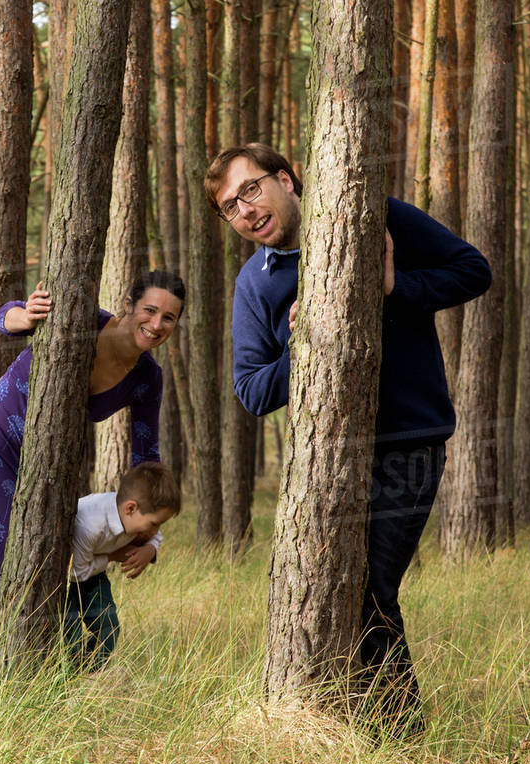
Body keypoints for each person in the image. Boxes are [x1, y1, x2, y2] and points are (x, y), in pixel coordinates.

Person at [205, 142, 491, 727]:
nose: (245, 210)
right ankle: (343, 725)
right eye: (230, 206)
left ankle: (398, 737)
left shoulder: (373, 218)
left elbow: (473, 271)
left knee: (368, 590)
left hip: (407, 441)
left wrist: (394, 287)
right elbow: (252, 390)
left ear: (286, 179)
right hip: (324, 458)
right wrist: (302, 343)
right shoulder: (254, 284)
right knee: (325, 587)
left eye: (251, 189)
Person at [0, 270, 187, 602]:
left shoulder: (148, 377)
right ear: (128, 305)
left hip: (45, 462)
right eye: (150, 310)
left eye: (169, 318)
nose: (157, 324)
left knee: (36, 554)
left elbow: (146, 459)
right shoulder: (84, 320)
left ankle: (26, 630)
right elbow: (1, 318)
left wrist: (151, 544)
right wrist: (26, 316)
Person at [64, 462, 181, 670]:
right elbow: (76, 573)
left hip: (93, 572)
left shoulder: (137, 519)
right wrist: (112, 556)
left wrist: (150, 550)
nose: (156, 531)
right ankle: (67, 672)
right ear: (130, 508)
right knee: (70, 632)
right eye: (154, 524)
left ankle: (91, 673)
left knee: (108, 627)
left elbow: (156, 537)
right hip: (66, 580)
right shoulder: (90, 525)